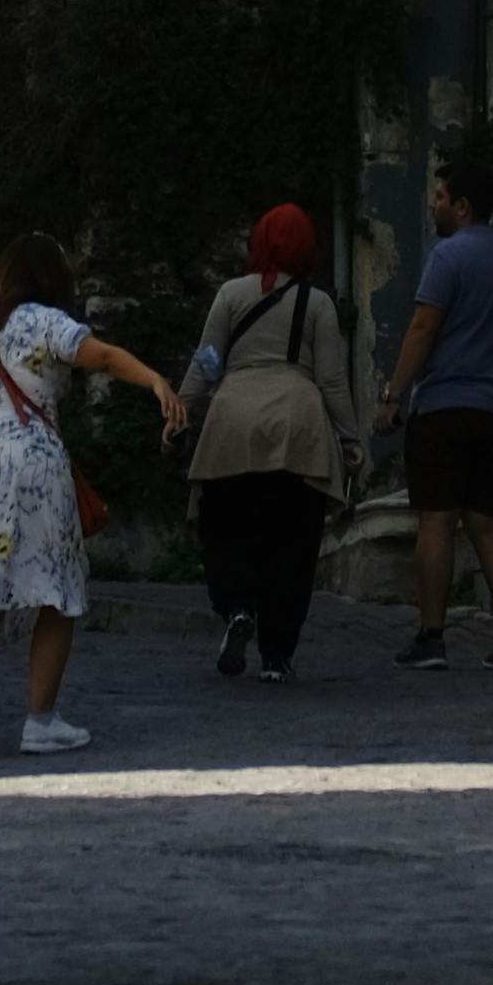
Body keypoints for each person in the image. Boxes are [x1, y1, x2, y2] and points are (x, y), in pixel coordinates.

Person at [0, 233, 178, 759]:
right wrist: (155, 382)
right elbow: (100, 357)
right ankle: (41, 721)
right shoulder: (45, 322)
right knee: (56, 591)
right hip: (34, 467)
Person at [170, 200, 364, 683]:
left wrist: (180, 409)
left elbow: (208, 362)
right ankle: (277, 654)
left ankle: (237, 607)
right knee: (292, 543)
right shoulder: (317, 303)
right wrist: (350, 437)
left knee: (228, 526)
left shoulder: (231, 294)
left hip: (232, 422)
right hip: (296, 425)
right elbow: (332, 381)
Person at [383, 145, 493, 666]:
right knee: (486, 522)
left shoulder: (446, 258)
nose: (433, 205)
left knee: (437, 520)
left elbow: (423, 328)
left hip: (447, 407)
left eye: (441, 197)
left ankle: (431, 635)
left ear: (463, 206)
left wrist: (394, 395)